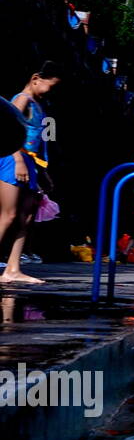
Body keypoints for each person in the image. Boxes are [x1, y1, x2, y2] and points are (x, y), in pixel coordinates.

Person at [0, 62, 60, 285]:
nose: (52, 92)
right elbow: (7, 129)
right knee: (9, 215)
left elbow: (43, 141)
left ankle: (13, 268)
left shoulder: (41, 106)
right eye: (50, 86)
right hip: (13, 159)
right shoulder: (22, 99)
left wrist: (43, 172)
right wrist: (17, 160)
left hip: (31, 163)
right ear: (36, 78)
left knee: (26, 218)